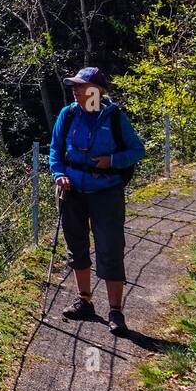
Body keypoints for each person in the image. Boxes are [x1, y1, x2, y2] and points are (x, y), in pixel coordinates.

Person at [48, 67, 146, 334]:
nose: (75, 90)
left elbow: (137, 150)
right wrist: (58, 174)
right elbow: (55, 150)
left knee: (110, 247)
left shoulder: (115, 118)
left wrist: (111, 161)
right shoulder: (68, 115)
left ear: (96, 91)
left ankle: (116, 311)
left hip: (107, 192)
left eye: (80, 86)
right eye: (75, 87)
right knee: (77, 247)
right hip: (72, 194)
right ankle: (85, 301)